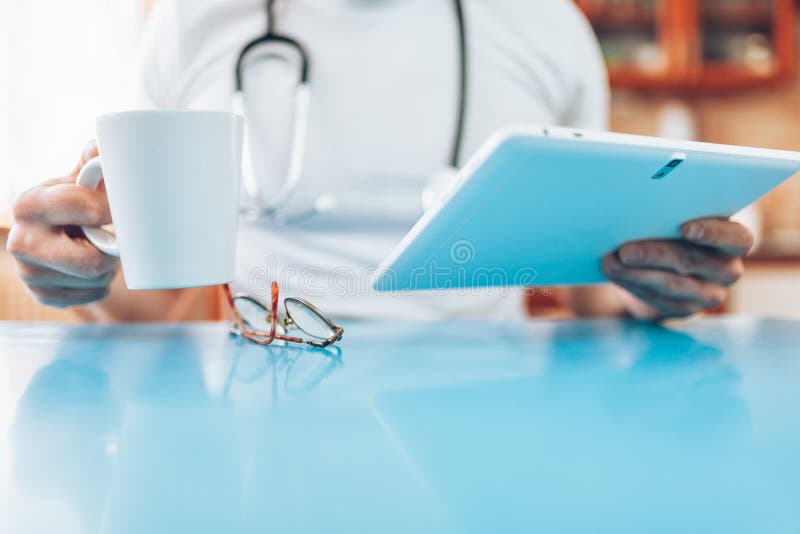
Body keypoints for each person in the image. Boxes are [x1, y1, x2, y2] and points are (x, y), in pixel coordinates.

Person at [6, 0, 753, 322]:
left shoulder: (545, 28)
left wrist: (653, 287)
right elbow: (155, 306)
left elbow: (591, 289)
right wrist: (85, 281)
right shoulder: (189, 23)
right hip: (261, 393)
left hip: (487, 404)